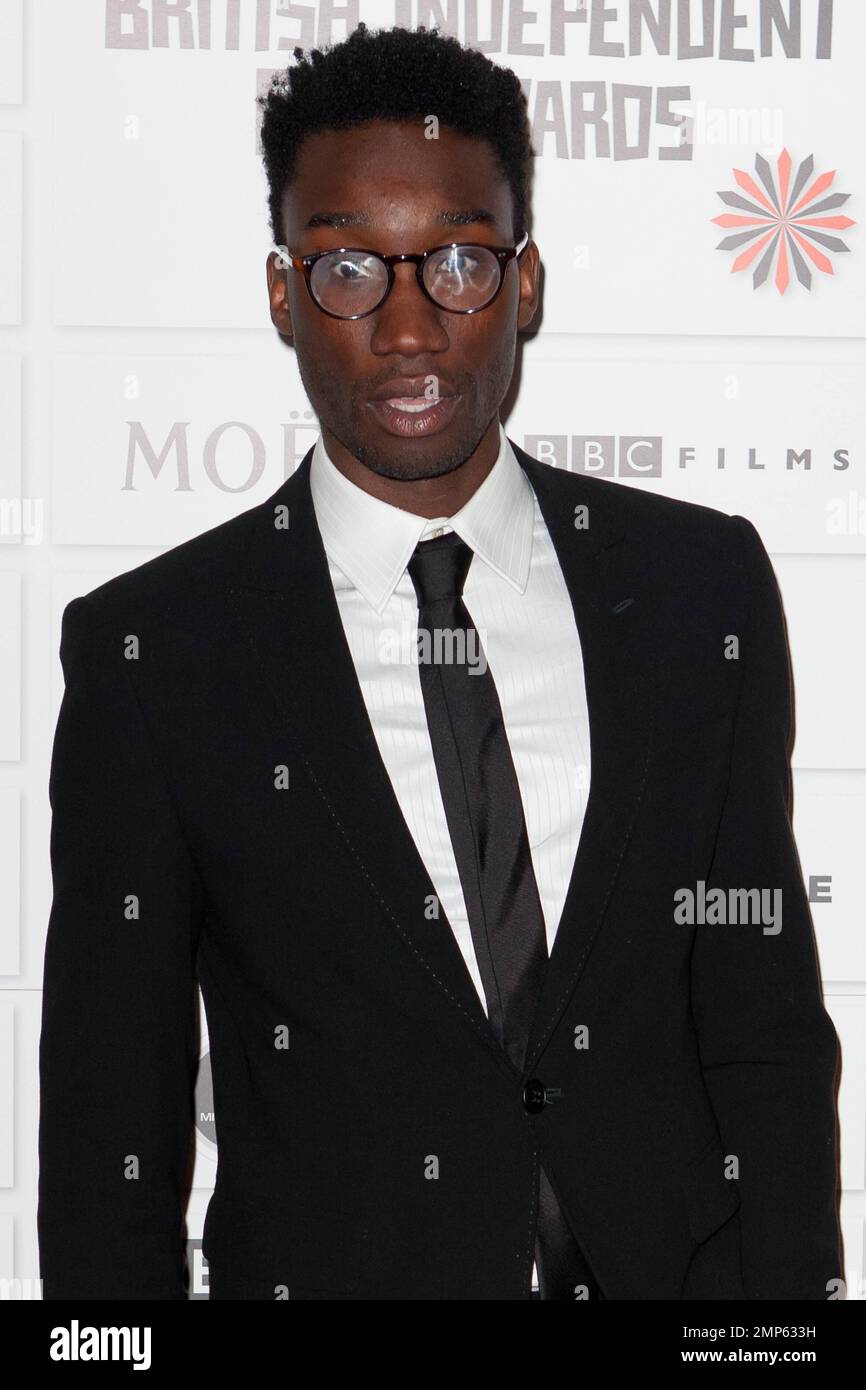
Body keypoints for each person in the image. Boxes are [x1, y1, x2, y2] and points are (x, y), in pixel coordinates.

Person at [38, 23, 841, 1301]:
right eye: (349, 264)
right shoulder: (159, 652)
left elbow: (762, 1032)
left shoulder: (696, 591)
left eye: (459, 261)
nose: (409, 328)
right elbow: (107, 1120)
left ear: (523, 284)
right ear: (282, 293)